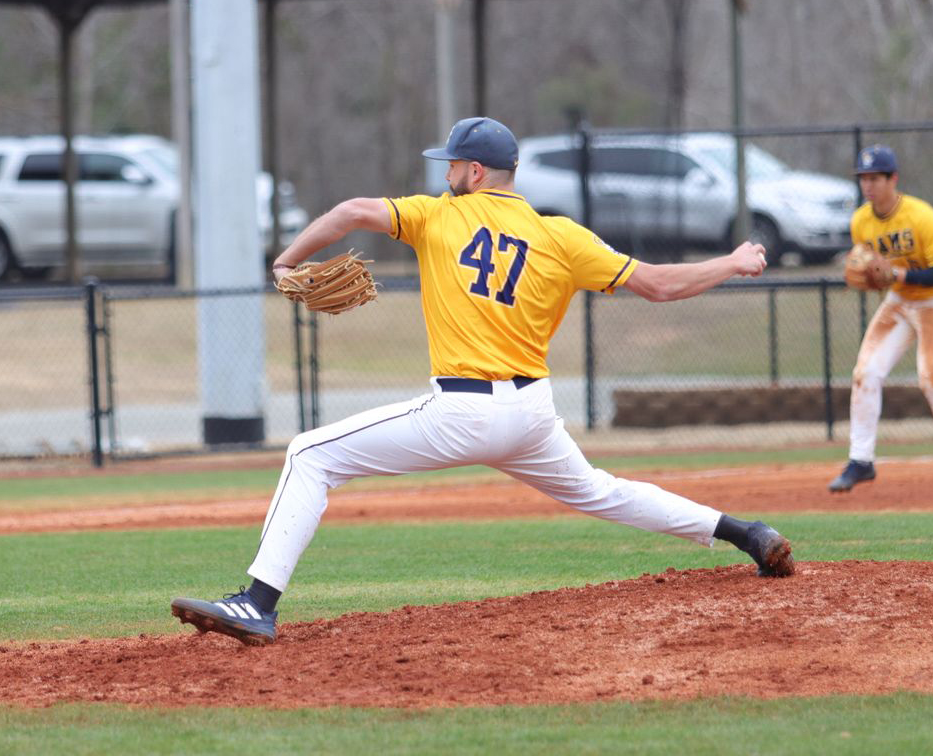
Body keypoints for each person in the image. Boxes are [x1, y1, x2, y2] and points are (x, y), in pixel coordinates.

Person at [170, 116, 796, 647]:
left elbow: (351, 211)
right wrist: (734, 262)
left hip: (461, 414)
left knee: (309, 453)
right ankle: (747, 533)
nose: (443, 174)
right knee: (602, 492)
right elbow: (659, 284)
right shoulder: (560, 236)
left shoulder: (439, 217)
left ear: (474, 173)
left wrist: (285, 260)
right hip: (531, 415)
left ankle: (258, 603)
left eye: (451, 165)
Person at [828, 145, 933, 495]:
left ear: (892, 179)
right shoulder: (861, 221)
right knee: (865, 372)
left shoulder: (921, 216)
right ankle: (861, 461)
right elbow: (874, 273)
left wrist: (895, 274)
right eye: (863, 178)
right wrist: (867, 277)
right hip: (900, 303)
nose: (868, 185)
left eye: (875, 178)